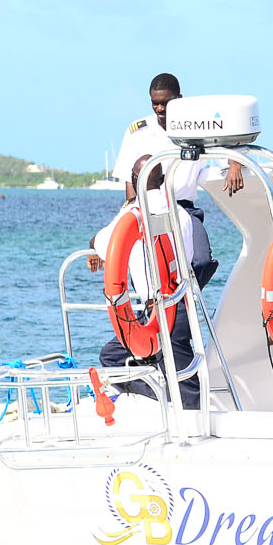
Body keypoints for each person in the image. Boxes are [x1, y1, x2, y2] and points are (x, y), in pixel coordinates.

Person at [89, 157, 206, 407]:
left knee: (116, 361)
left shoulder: (133, 215)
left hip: (160, 309)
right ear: (163, 181)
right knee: (118, 356)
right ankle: (168, 400)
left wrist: (95, 247)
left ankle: (173, 406)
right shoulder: (182, 214)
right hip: (181, 304)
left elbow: (100, 243)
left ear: (134, 181)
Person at [110, 72, 244, 287]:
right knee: (147, 271)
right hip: (149, 209)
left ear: (179, 99)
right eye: (155, 103)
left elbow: (225, 147)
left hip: (184, 208)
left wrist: (235, 165)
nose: (160, 109)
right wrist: (134, 213)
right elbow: (129, 178)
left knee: (201, 261)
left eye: (165, 103)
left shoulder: (198, 126)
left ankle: (180, 302)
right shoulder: (137, 131)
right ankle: (157, 312)